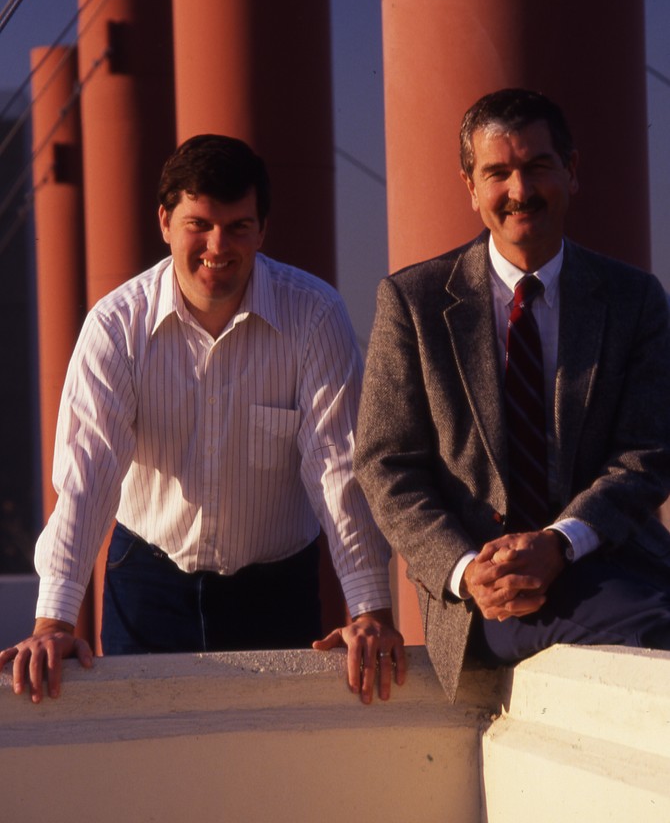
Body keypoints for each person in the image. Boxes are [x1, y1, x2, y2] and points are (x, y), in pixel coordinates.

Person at [1, 135, 405, 704]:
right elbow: (87, 479)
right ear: (165, 221)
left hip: (278, 590)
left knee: (274, 767)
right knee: (145, 768)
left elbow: (338, 468)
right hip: (147, 583)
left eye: (239, 226)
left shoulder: (314, 316)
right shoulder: (116, 327)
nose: (219, 246)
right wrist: (54, 627)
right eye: (200, 224)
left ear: (263, 229)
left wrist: (370, 611)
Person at [354, 88, 670, 702]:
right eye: (497, 172)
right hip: (487, 596)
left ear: (571, 172)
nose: (519, 190)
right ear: (470, 185)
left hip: (611, 560)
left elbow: (648, 452)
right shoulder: (413, 303)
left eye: (537, 166)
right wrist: (467, 571)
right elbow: (386, 465)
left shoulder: (633, 298)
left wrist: (560, 542)